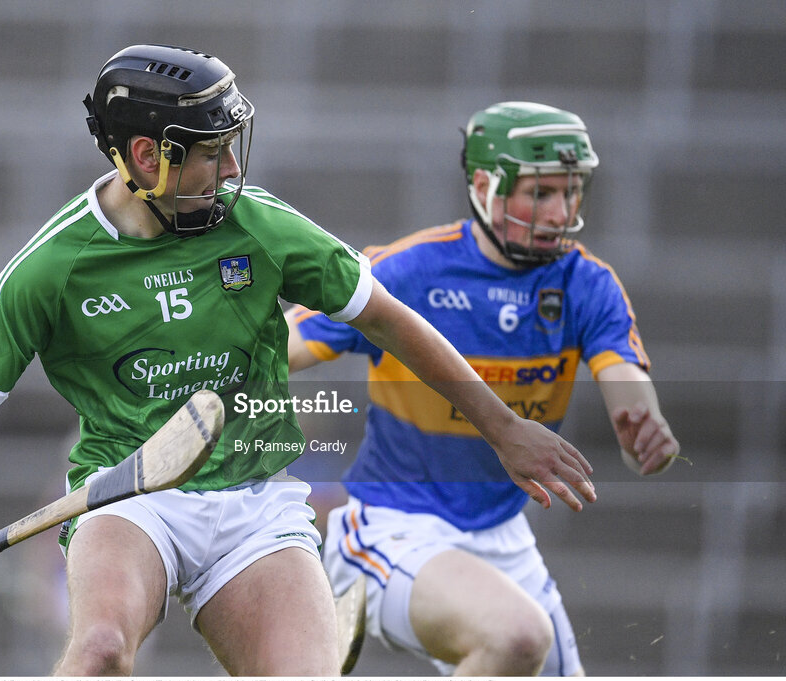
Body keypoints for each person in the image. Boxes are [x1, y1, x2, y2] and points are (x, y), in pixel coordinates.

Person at [0, 47, 595, 676]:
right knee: (99, 653)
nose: (233, 165)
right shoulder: (53, 267)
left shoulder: (262, 226)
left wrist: (502, 428)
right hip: (127, 493)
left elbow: (389, 320)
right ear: (147, 156)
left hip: (254, 501)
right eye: (213, 153)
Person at [287, 101, 680, 676]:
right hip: (392, 527)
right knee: (518, 636)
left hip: (503, 540)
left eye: (571, 192)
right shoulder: (408, 270)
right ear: (482, 185)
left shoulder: (586, 283)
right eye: (540, 193)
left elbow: (627, 382)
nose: (559, 212)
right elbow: (281, 352)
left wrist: (643, 424)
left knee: (525, 639)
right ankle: (359, 592)